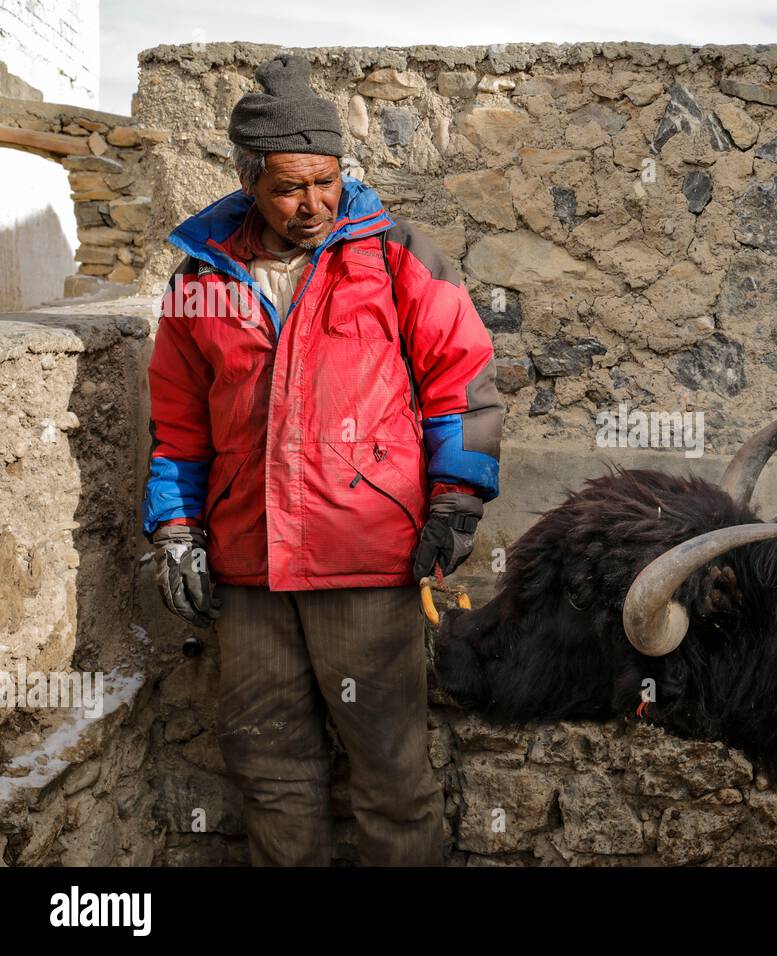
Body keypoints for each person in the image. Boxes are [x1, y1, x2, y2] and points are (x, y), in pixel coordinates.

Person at [141, 53, 503, 866]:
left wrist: (455, 503)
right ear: (247, 178)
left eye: (326, 181)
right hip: (248, 568)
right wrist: (174, 530)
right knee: (270, 771)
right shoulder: (201, 276)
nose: (311, 204)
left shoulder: (398, 254)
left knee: (390, 773)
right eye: (287, 187)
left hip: (366, 561)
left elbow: (462, 387)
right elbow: (178, 426)